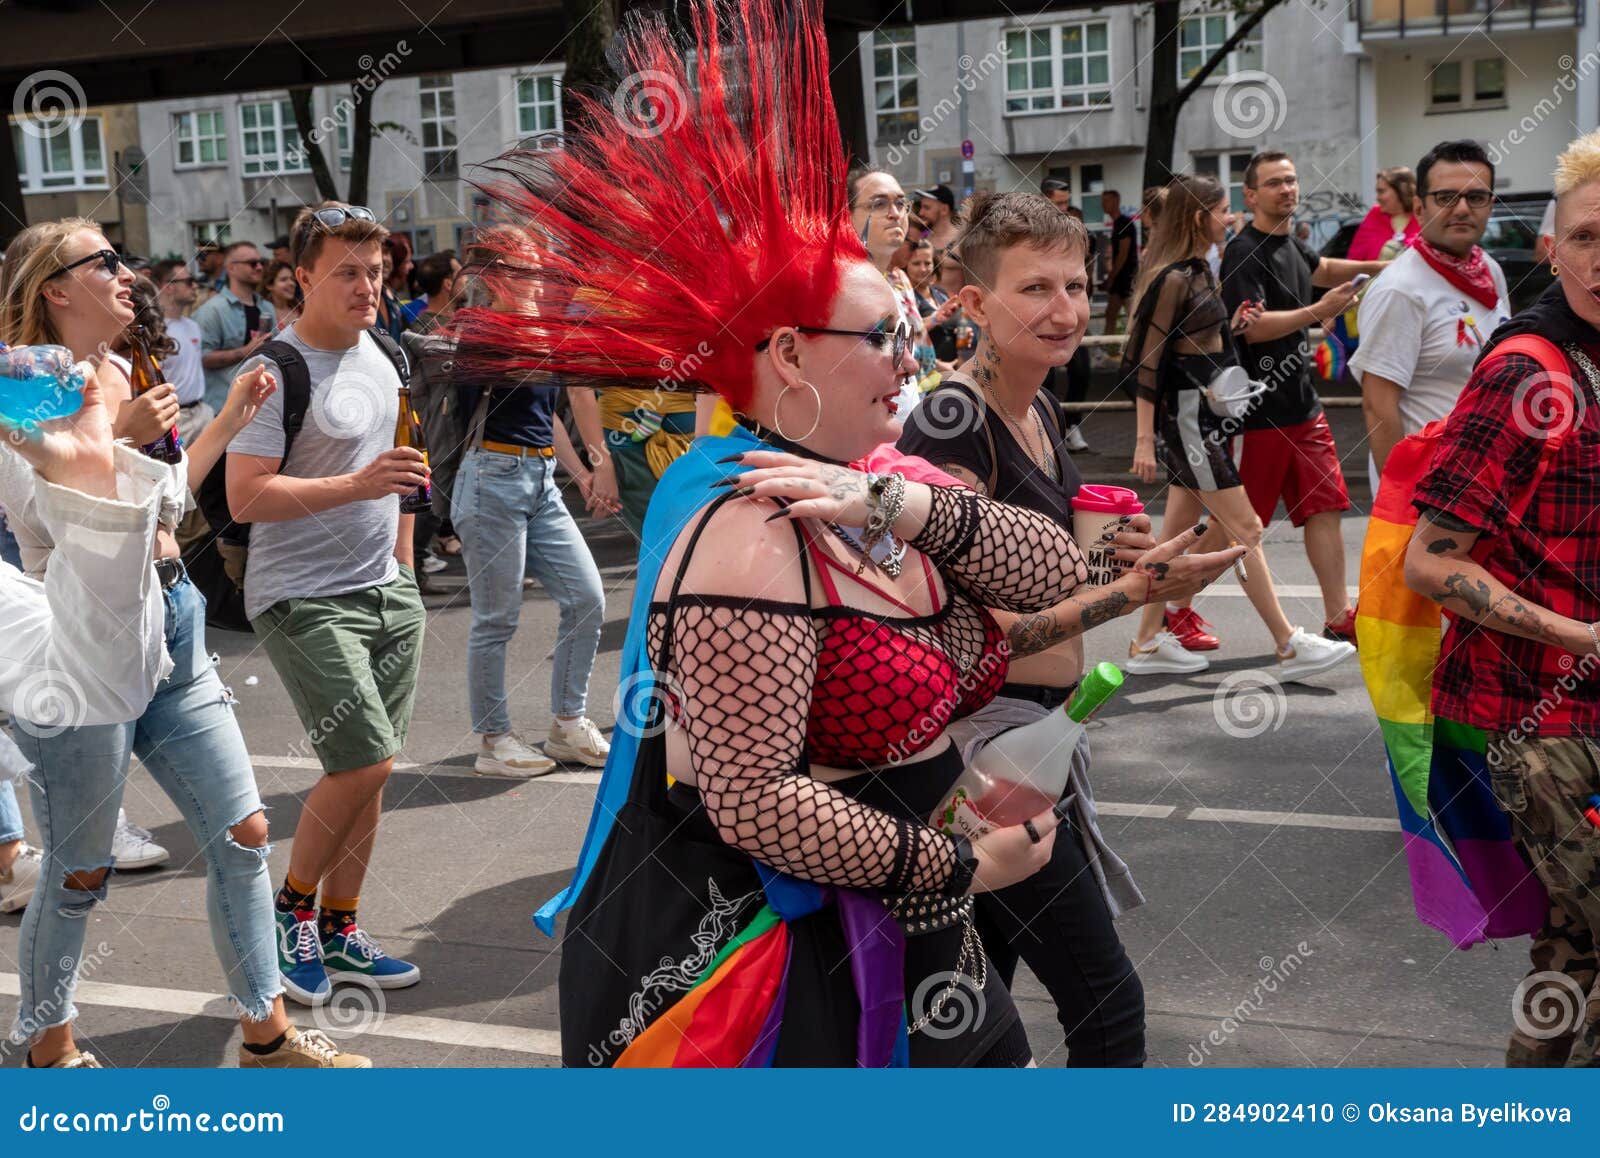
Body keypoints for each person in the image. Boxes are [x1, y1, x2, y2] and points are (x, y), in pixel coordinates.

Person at [462, 0, 1247, 1068]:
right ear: (789, 355)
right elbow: (751, 803)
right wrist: (960, 868)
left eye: (908, 331)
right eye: (882, 336)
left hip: (917, 917)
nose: (908, 357)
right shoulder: (744, 532)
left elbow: (1047, 566)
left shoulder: (881, 479)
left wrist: (903, 507)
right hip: (802, 959)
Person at [0, 217, 365, 1069]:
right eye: (104, 261)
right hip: (85, 644)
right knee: (80, 871)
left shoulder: (124, 369)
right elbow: (39, 526)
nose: (127, 272)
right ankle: (50, 1049)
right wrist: (111, 441)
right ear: (56, 289)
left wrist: (227, 420)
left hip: (175, 619)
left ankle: (267, 1034)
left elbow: (169, 507)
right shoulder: (21, 391)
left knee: (244, 833)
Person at [898, 191, 1243, 1065]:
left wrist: (1115, 557)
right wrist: (1132, 592)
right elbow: (982, 636)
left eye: (1077, 287)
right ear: (973, 304)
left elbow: (1044, 572)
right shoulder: (950, 424)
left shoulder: (1043, 409)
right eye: (1035, 289)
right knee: (1107, 1004)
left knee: (967, 1014)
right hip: (985, 749)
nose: (1065, 311)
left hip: (1038, 738)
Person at [1402, 129, 1600, 1068]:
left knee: (1571, 948)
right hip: (1537, 720)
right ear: (1551, 252)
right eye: (1588, 237)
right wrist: (1583, 636)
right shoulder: (1529, 373)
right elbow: (1430, 563)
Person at [227, 202, 428, 1009]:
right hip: (302, 595)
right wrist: (356, 485)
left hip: (386, 590)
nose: (366, 286)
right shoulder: (276, 370)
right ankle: (290, 915)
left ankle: (341, 926)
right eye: (347, 272)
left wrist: (405, 573)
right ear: (303, 278)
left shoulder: (388, 351)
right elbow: (245, 496)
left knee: (368, 772)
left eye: (375, 272)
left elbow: (405, 467)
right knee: (364, 760)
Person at [1124, 175, 1356, 681]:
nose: (1230, 218)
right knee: (1246, 529)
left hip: (1202, 419)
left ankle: (1146, 642)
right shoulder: (1174, 278)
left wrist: (1230, 329)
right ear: (1197, 218)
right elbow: (1147, 362)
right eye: (1222, 210)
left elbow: (1189, 343)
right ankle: (1288, 644)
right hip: (1190, 422)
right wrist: (1143, 439)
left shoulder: (1197, 272)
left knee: (1177, 537)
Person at [450, 240, 611, 776]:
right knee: (496, 618)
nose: (539, 282)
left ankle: (567, 724)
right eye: (526, 272)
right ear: (496, 277)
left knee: (586, 598)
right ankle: (494, 740)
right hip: (491, 479)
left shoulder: (538, 330)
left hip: (540, 478)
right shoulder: (481, 333)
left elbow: (548, 419)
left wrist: (582, 473)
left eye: (541, 271)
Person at [1221, 150, 1388, 645]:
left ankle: (1338, 616)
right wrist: (1319, 310)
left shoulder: (1291, 243)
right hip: (1258, 414)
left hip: (1303, 407)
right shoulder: (1242, 251)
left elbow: (1324, 268)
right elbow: (1250, 328)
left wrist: (1387, 267)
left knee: (1325, 507)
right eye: (1274, 182)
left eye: (1291, 180)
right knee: (1235, 527)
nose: (1287, 189)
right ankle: (1172, 608)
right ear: (1251, 195)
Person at [1351, 140, 1510, 493]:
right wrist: (1400, 498)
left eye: (1476, 197)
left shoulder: (1489, 271)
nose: (1463, 208)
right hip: (1429, 492)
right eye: (1446, 197)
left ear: (1490, 205)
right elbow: (1378, 407)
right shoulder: (1400, 289)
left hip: (1487, 482)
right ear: (1420, 208)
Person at [848, 166, 955, 414]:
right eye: (879, 204)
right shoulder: (844, 289)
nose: (895, 213)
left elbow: (908, 355)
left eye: (900, 203)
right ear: (848, 216)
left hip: (909, 420)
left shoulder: (898, 281)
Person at [399, 250, 466, 584]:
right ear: (448, 283)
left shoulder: (457, 319)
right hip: (437, 423)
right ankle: (413, 563)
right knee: (433, 493)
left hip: (455, 421)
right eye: (460, 274)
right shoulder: (425, 326)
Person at [194, 240, 275, 414]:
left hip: (262, 407)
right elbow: (202, 357)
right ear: (231, 268)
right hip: (224, 408)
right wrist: (245, 351)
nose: (259, 267)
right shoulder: (212, 310)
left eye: (261, 262)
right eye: (252, 263)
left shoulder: (267, 308)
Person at [151, 259, 213, 445]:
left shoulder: (193, 326)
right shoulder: (154, 330)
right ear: (168, 287)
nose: (195, 286)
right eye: (189, 281)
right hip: (174, 417)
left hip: (202, 412)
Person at [1350, 165, 1421, 262]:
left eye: (1381, 191)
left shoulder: (1423, 216)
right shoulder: (1374, 216)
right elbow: (1353, 260)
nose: (1377, 198)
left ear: (1402, 190)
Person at [907, 238, 959, 364]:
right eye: (916, 263)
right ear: (905, 265)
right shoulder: (905, 299)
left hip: (954, 366)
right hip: (927, 369)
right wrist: (937, 365)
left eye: (927, 263)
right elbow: (904, 337)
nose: (923, 269)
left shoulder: (940, 294)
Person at [1101, 189, 1139, 334]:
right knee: (1110, 314)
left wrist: (1111, 277)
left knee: (1132, 317)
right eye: (1102, 201)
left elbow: (1123, 254)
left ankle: (1136, 345)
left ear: (1116, 201)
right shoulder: (1117, 224)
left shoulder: (1124, 223)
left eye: (1107, 200)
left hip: (1128, 277)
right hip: (1120, 278)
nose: (1103, 204)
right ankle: (1108, 345)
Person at [914, 184, 961, 257]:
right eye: (921, 207)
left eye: (927, 208)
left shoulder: (963, 240)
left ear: (944, 209)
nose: (920, 213)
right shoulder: (921, 238)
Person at [261, 258, 301, 331]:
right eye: (284, 279)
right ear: (269, 285)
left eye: (292, 279)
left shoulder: (301, 309)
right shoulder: (263, 312)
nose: (292, 283)